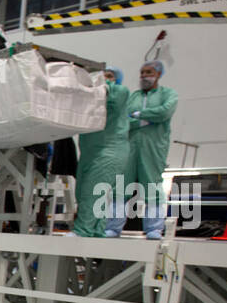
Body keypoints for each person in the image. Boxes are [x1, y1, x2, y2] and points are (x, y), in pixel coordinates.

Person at [109, 59, 177, 239]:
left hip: (153, 148)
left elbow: (164, 112)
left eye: (148, 72)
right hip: (129, 147)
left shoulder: (168, 94)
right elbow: (122, 120)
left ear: (158, 74)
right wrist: (145, 121)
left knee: (152, 187)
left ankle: (154, 228)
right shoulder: (133, 96)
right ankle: (113, 227)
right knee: (120, 186)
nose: (144, 76)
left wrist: (139, 115)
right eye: (142, 73)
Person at [72, 67, 131, 237]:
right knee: (83, 192)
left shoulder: (120, 91)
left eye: (110, 76)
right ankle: (97, 230)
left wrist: (90, 82)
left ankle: (83, 230)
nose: (105, 78)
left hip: (110, 151)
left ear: (117, 80)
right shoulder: (92, 99)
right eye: (102, 75)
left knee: (94, 190)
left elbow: (108, 93)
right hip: (89, 153)